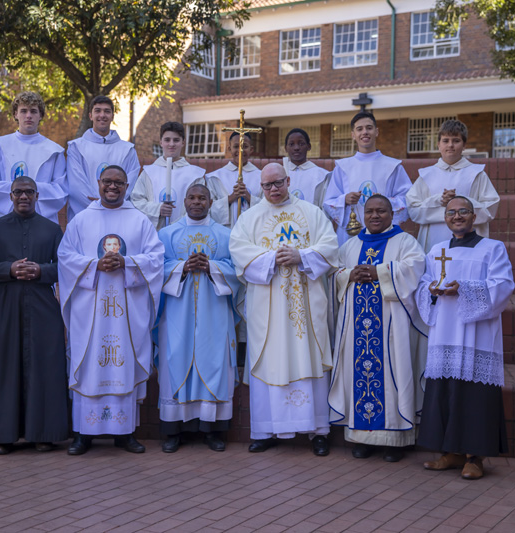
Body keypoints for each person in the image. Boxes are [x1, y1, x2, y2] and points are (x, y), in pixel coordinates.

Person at [229, 163, 339, 456]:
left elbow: (330, 247)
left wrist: (300, 256)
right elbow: (238, 251)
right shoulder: (250, 217)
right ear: (260, 187)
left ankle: (318, 431)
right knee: (269, 358)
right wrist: (272, 259)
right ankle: (266, 430)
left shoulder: (312, 213)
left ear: (288, 180)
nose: (273, 189)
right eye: (267, 185)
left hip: (305, 304)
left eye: (278, 183)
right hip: (268, 307)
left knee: (309, 356)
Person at [58, 165, 164, 455]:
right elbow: (65, 258)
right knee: (90, 360)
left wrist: (126, 262)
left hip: (126, 312)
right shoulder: (81, 221)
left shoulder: (139, 220)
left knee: (124, 360)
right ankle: (83, 433)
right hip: (90, 311)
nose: (113, 187)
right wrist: (95, 265)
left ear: (127, 185)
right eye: (108, 181)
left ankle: (125, 433)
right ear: (99, 183)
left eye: (119, 182)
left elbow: (156, 259)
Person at [416, 196, 514, 480]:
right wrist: (430, 289)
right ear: (444, 217)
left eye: (463, 212)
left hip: (476, 333)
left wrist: (465, 289)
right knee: (445, 389)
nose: (456, 216)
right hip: (445, 331)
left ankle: (475, 457)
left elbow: (503, 285)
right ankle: (451, 453)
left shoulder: (493, 248)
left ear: (474, 216)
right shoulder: (436, 249)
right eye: (451, 212)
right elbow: (423, 284)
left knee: (474, 394)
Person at [329, 194, 426, 463]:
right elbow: (336, 272)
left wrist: (378, 273)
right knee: (357, 375)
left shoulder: (405, 242)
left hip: (391, 328)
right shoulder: (351, 244)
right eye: (370, 211)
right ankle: (362, 439)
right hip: (357, 324)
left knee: (393, 373)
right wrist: (349, 275)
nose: (374, 216)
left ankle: (395, 440)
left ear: (392, 214)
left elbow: (415, 269)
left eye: (381, 211)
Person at [0, 176, 69, 455]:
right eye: (18, 192)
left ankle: (44, 434)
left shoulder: (53, 229)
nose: (24, 197)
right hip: (7, 304)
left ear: (37, 195)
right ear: (11, 196)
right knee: (6, 366)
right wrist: (10, 269)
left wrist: (42, 271)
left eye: (29, 192)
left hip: (43, 305)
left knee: (45, 366)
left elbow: (65, 266)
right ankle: (4, 435)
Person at [156, 183, 241, 453]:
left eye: (202, 198)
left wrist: (212, 267)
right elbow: (157, 267)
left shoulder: (226, 234)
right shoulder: (167, 234)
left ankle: (213, 430)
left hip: (213, 311)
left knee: (213, 360)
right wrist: (182, 267)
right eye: (191, 198)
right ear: (184, 201)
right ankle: (173, 430)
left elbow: (237, 270)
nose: (196, 202)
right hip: (177, 312)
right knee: (175, 360)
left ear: (211, 201)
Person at [407, 119, 500, 252]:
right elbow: (413, 210)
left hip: (469, 244)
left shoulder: (477, 174)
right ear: (438, 144)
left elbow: (490, 210)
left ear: (464, 145)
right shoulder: (426, 176)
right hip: (434, 243)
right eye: (445, 141)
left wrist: (461, 203)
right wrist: (439, 200)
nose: (450, 145)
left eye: (456, 141)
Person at [323, 111, 412, 246]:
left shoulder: (393, 166)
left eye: (369, 128)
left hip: (385, 235)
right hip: (352, 235)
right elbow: (329, 202)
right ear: (353, 135)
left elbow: (408, 200)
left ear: (376, 132)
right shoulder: (342, 167)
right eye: (359, 129)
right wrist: (345, 200)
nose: (365, 132)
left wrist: (386, 201)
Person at [0, 91, 68, 224]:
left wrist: (20, 192)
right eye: (23, 111)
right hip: (6, 221)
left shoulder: (54, 151)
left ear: (41, 115)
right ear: (15, 114)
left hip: (42, 222)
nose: (28, 116)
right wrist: (28, 192)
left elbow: (61, 191)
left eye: (33, 111)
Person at [131, 121, 223, 230]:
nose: (171, 144)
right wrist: (157, 209)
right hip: (154, 232)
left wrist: (178, 225)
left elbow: (201, 205)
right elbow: (136, 200)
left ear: (183, 142)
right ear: (161, 142)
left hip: (184, 231)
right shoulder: (149, 172)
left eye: (176, 140)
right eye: (167, 140)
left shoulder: (194, 174)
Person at [66, 95, 141, 221]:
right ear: (90, 116)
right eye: (98, 111)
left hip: (118, 214)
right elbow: (76, 185)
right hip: (86, 214)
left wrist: (112, 204)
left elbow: (131, 183)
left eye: (107, 111)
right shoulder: (76, 147)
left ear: (112, 116)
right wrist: (99, 206)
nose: (102, 115)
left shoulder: (127, 150)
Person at [207, 132, 262, 228]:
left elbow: (268, 207)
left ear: (251, 149)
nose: (240, 150)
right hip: (226, 231)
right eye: (236, 146)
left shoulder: (262, 176)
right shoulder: (215, 177)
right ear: (229, 149)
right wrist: (230, 198)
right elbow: (208, 210)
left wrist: (249, 198)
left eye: (245, 146)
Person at [282, 128, 331, 210]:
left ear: (309, 146)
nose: (296, 148)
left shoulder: (321, 175)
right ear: (286, 148)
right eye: (291, 144)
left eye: (301, 144)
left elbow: (325, 207)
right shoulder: (280, 173)